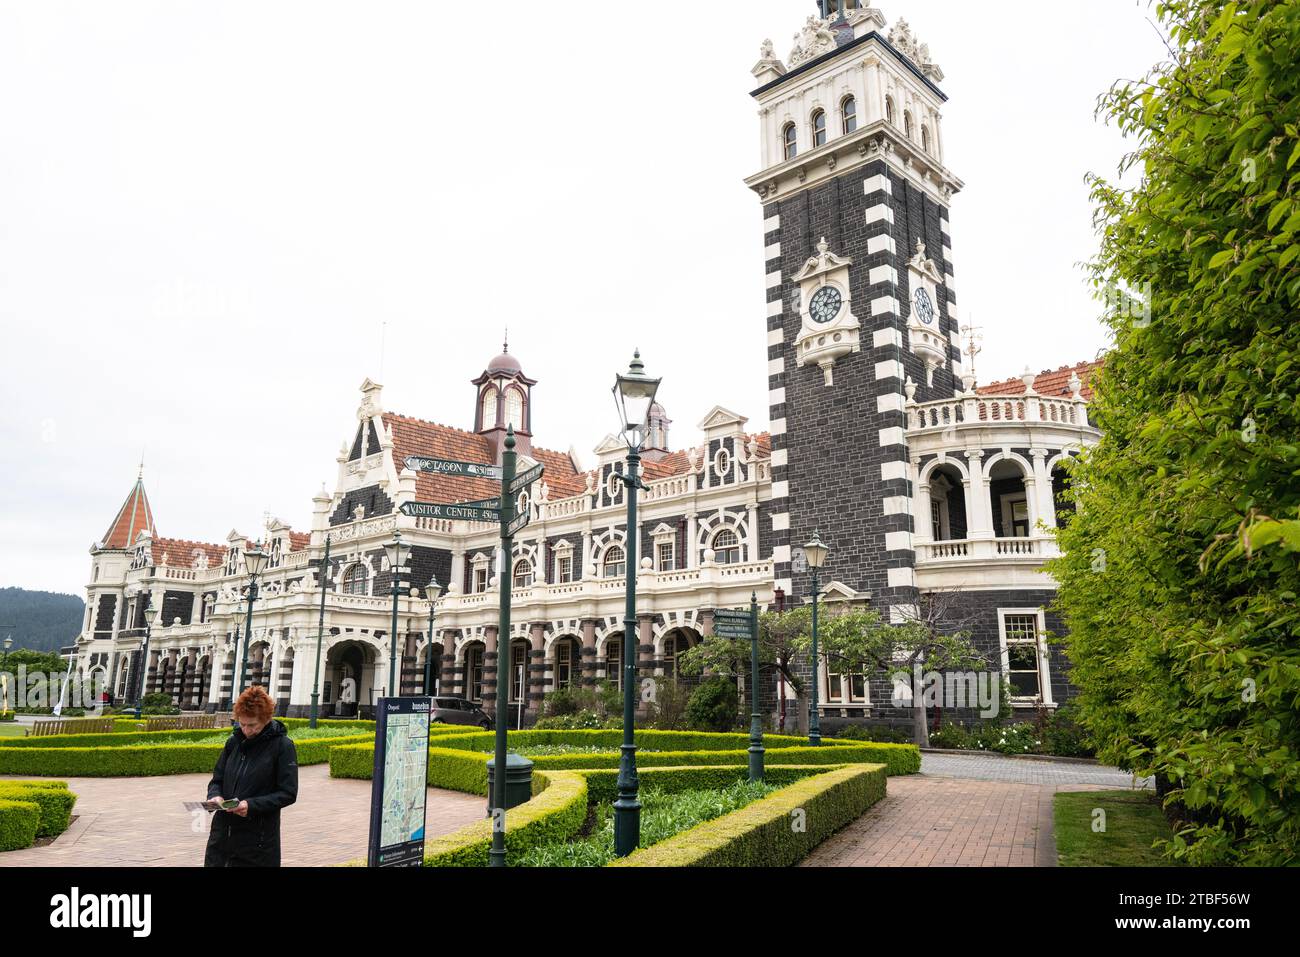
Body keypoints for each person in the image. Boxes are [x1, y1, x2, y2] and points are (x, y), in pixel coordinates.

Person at [203, 686, 298, 867]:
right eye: (242, 724)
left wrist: (251, 805)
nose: (246, 730)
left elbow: (288, 793)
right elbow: (217, 779)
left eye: (252, 725)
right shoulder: (233, 743)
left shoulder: (282, 746)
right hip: (222, 837)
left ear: (266, 719)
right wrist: (215, 796)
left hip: (257, 842)